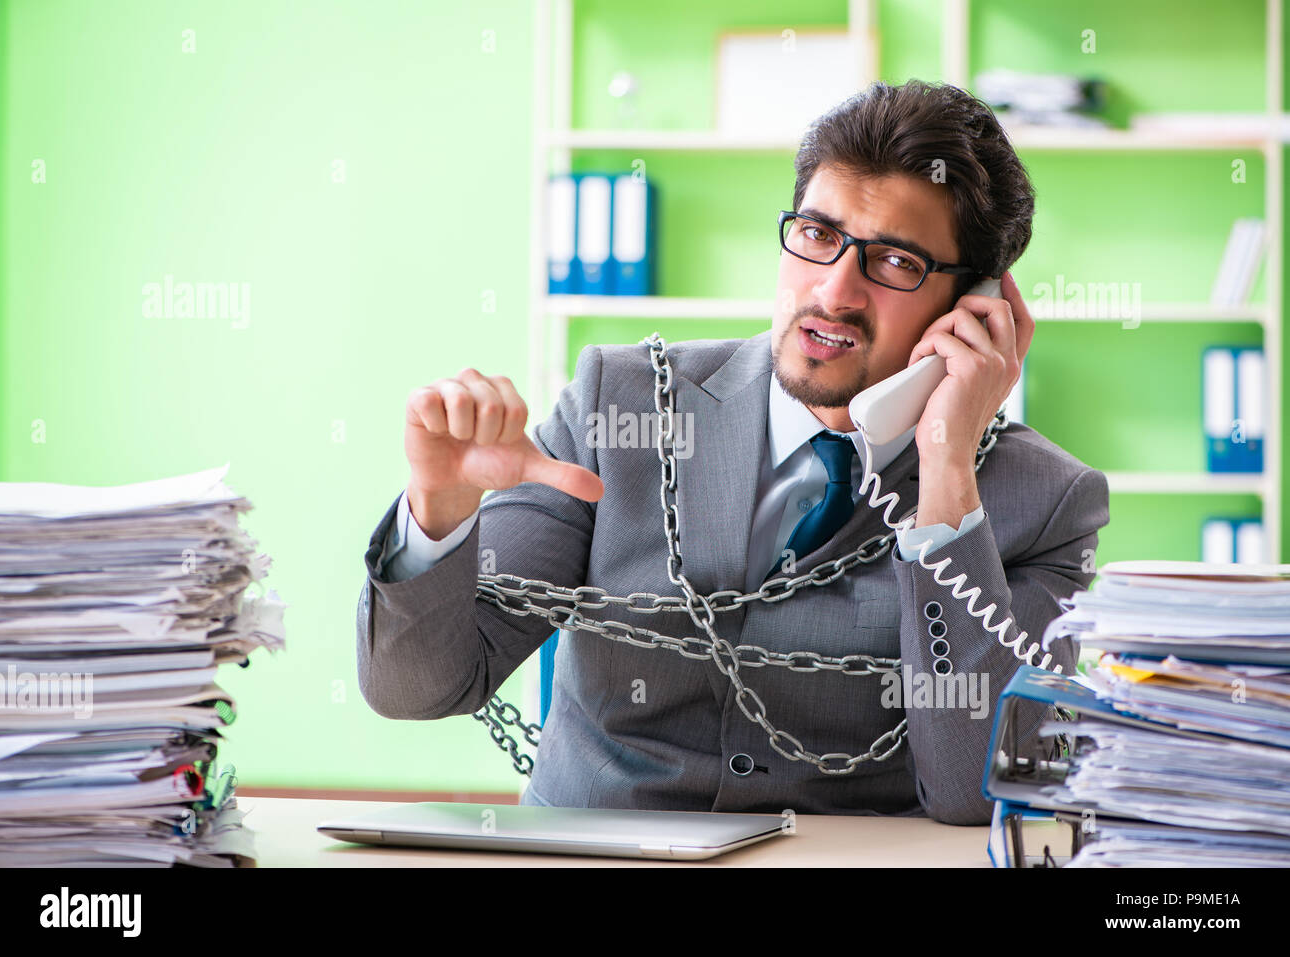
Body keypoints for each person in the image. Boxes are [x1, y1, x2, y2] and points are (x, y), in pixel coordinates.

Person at [356, 79, 1110, 825]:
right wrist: (440, 512)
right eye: (818, 235)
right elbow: (416, 689)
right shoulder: (620, 401)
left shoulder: (1044, 504)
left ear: (976, 306)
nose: (834, 292)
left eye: (894, 262)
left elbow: (974, 790)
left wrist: (946, 472)